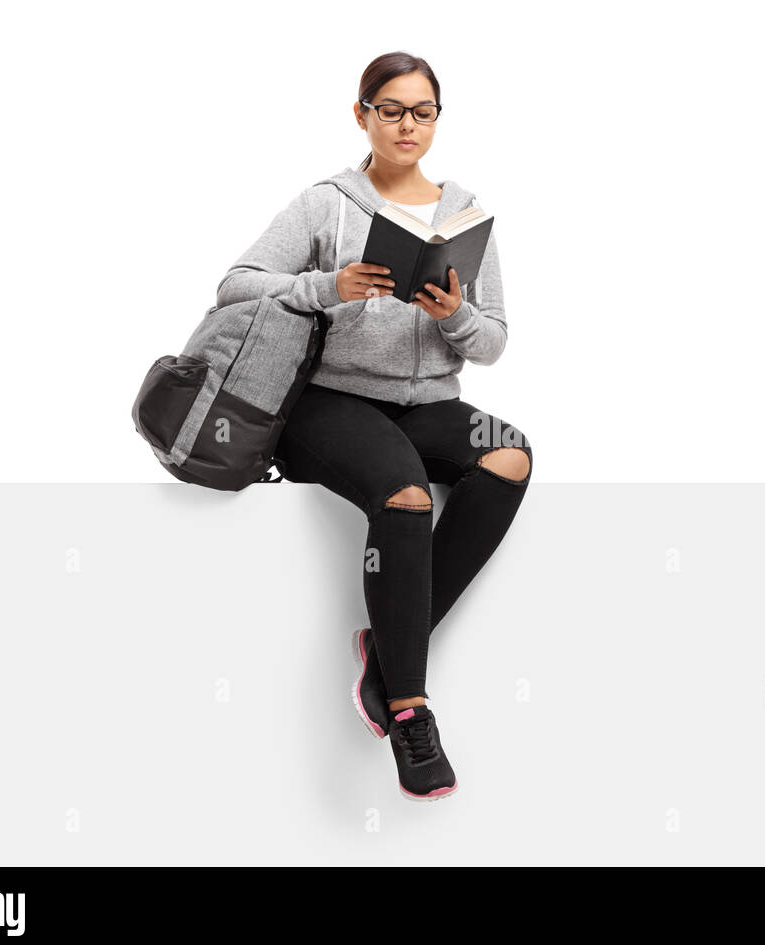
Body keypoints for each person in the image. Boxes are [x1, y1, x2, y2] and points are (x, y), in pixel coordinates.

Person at [214, 52, 532, 801]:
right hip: (333, 405)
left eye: (422, 111)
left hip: (429, 406)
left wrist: (452, 314)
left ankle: (384, 656)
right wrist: (329, 286)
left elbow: (493, 343)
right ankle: (409, 707)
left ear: (436, 119)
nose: (407, 125)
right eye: (390, 109)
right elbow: (236, 285)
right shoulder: (328, 203)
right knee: (405, 496)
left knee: (510, 455)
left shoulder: (466, 212)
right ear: (362, 114)